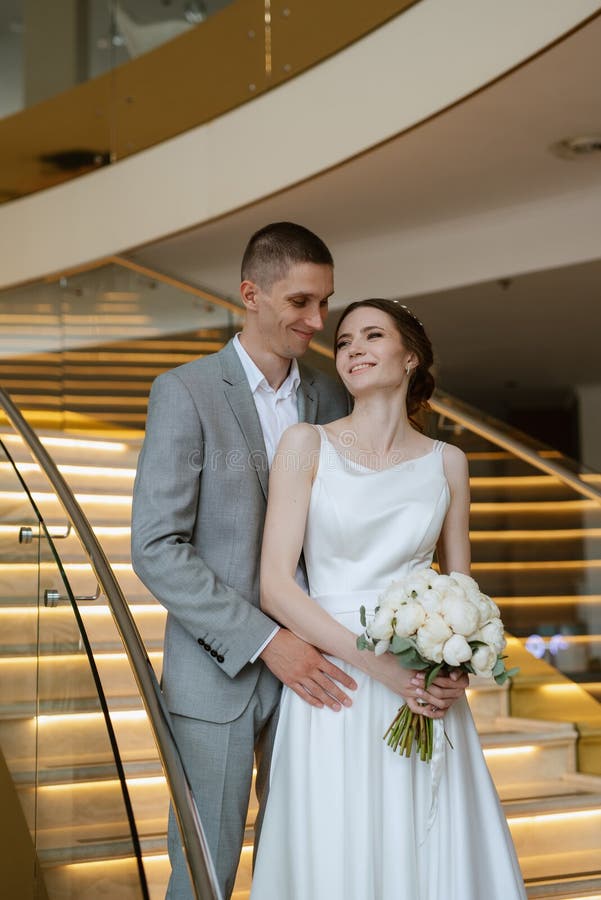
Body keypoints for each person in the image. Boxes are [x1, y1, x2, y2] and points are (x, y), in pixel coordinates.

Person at [251, 299, 526, 899]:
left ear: (410, 358)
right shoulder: (305, 443)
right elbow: (274, 584)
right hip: (335, 681)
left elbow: (462, 589)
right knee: (337, 840)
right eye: (344, 341)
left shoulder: (448, 462)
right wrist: (376, 665)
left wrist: (455, 671)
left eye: (372, 336)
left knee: (427, 844)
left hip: (421, 687)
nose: (352, 349)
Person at [131, 222, 358, 899]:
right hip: (216, 677)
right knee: (207, 871)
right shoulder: (186, 391)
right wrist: (265, 641)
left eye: (325, 303)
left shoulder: (331, 397)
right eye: (300, 303)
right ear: (250, 294)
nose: (318, 321)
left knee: (311, 859)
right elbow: (154, 547)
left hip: (321, 675)